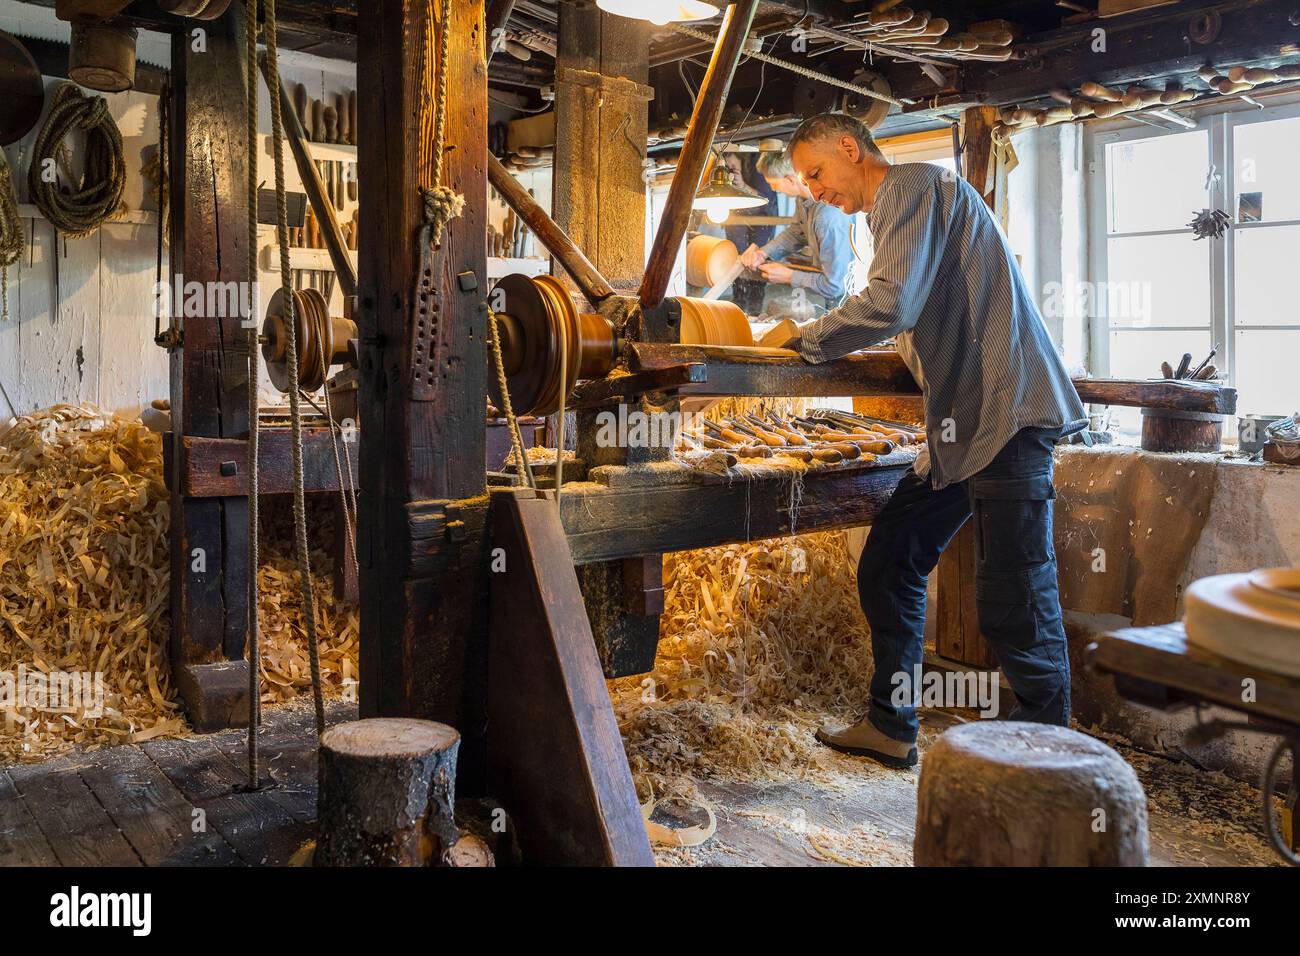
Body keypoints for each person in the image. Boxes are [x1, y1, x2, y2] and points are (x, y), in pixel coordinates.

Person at [778, 112, 1087, 769]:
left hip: (1008, 414)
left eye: (816, 173)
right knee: (891, 561)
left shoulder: (909, 188)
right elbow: (909, 308)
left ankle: (1051, 770)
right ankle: (892, 726)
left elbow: (892, 305)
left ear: (850, 147)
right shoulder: (902, 206)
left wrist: (802, 339)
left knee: (1015, 601)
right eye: (804, 182)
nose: (813, 189)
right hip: (964, 427)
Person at [739, 149, 860, 313]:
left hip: (853, 300)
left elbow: (835, 286)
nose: (773, 189)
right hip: (833, 296)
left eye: (773, 183)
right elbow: (795, 233)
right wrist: (763, 253)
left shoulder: (828, 216)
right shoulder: (803, 200)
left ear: (790, 179)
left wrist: (788, 276)